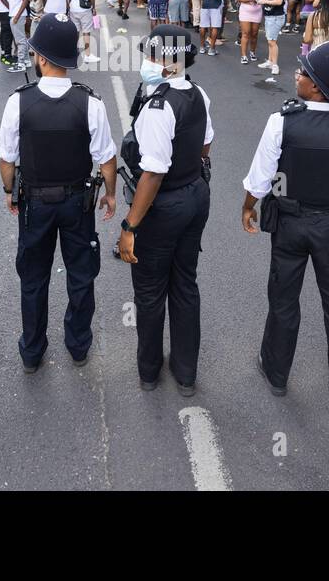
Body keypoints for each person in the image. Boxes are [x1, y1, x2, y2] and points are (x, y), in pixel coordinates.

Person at [242, 42, 329, 404]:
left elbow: (261, 177)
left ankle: (276, 373)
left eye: (303, 72)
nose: (297, 74)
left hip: (289, 223)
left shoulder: (282, 122)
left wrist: (248, 207)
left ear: (317, 85)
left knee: (283, 299)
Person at [0, 14, 117, 374]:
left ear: (43, 58)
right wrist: (110, 194)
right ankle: (78, 346)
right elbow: (106, 158)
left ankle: (32, 352)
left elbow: (7, 158)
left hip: (34, 202)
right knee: (81, 275)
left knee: (34, 278)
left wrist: (9, 191)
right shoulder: (90, 103)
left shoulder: (18, 101)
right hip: (78, 202)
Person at [118, 25, 213, 395]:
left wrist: (130, 225)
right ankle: (186, 373)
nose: (146, 62)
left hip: (163, 205)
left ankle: (149, 371)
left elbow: (153, 173)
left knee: (150, 289)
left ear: (166, 59)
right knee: (185, 283)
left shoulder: (159, 104)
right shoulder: (199, 93)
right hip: (195, 196)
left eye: (151, 55)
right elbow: (206, 146)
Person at [257, 0, 286, 81]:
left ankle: (275, 65)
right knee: (270, 40)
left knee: (272, 42)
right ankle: (270, 61)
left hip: (275, 16)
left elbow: (279, 1)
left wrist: (264, 2)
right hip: (271, 16)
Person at [236, 0, 263, 64]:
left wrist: (259, 0)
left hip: (257, 11)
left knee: (255, 34)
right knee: (246, 33)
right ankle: (243, 55)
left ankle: (252, 52)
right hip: (245, 12)